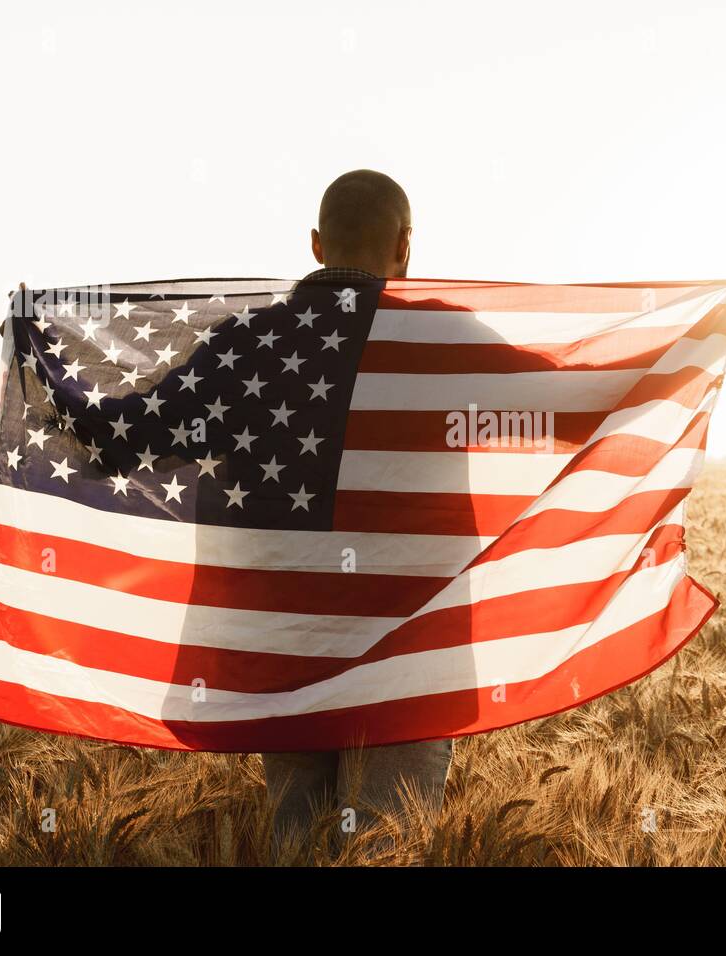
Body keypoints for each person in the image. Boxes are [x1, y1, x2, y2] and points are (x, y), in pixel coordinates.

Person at [261, 170, 457, 849]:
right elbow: (575, 399)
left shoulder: (254, 342)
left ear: (316, 245)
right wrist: (715, 331)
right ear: (404, 247)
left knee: (291, 846)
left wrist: (37, 349)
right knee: (383, 849)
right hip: (411, 661)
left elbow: (128, 434)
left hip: (288, 653)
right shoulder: (448, 343)